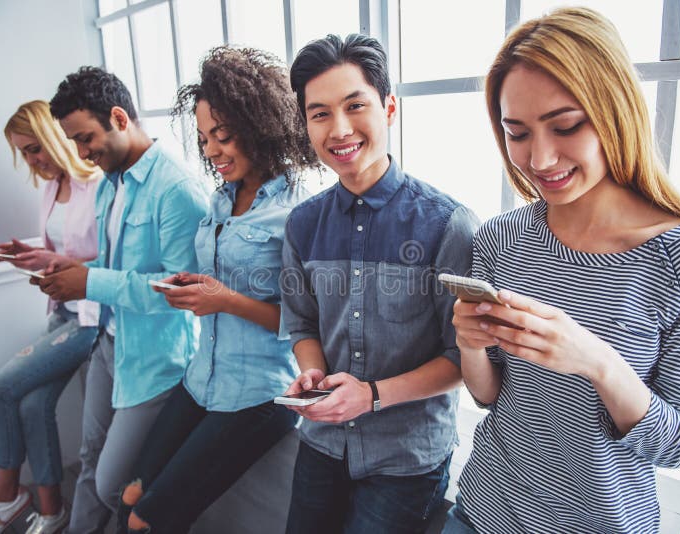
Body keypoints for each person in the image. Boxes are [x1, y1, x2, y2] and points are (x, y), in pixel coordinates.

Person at [445, 7, 680, 534]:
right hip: (481, 513)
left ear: (615, 111)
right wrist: (471, 344)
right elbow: (491, 397)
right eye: (516, 133)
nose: (539, 159)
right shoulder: (500, 238)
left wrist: (598, 362)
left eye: (565, 126)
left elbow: (677, 445)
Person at [115, 45, 320, 534]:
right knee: (131, 494)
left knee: (144, 520)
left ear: (259, 126)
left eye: (222, 136)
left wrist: (223, 300)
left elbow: (301, 322)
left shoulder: (297, 213)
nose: (210, 151)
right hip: (201, 378)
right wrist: (198, 286)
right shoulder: (221, 198)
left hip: (257, 396)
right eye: (206, 138)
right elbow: (222, 277)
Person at [282, 34, 479, 534]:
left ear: (389, 107)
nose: (339, 129)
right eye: (320, 113)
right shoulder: (302, 224)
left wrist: (371, 395)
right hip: (322, 443)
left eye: (355, 106)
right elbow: (302, 323)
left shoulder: (448, 224)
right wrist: (312, 375)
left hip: (406, 461)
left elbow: (463, 361)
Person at [38, 66, 207, 533]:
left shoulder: (176, 190)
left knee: (115, 484)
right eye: (73, 142)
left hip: (156, 361)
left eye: (85, 138)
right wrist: (76, 273)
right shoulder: (111, 182)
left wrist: (88, 284)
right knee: (90, 457)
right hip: (109, 344)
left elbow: (178, 291)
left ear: (118, 117)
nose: (81, 154)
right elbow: (118, 267)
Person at [0, 100, 101, 534]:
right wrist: (32, 259)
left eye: (33, 149)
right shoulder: (50, 189)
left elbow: (110, 262)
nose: (31, 161)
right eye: (23, 153)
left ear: (54, 139)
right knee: (33, 403)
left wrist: (51, 259)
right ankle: (50, 512)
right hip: (60, 312)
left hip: (91, 316)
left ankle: (6, 497)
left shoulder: (97, 184)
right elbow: (61, 259)